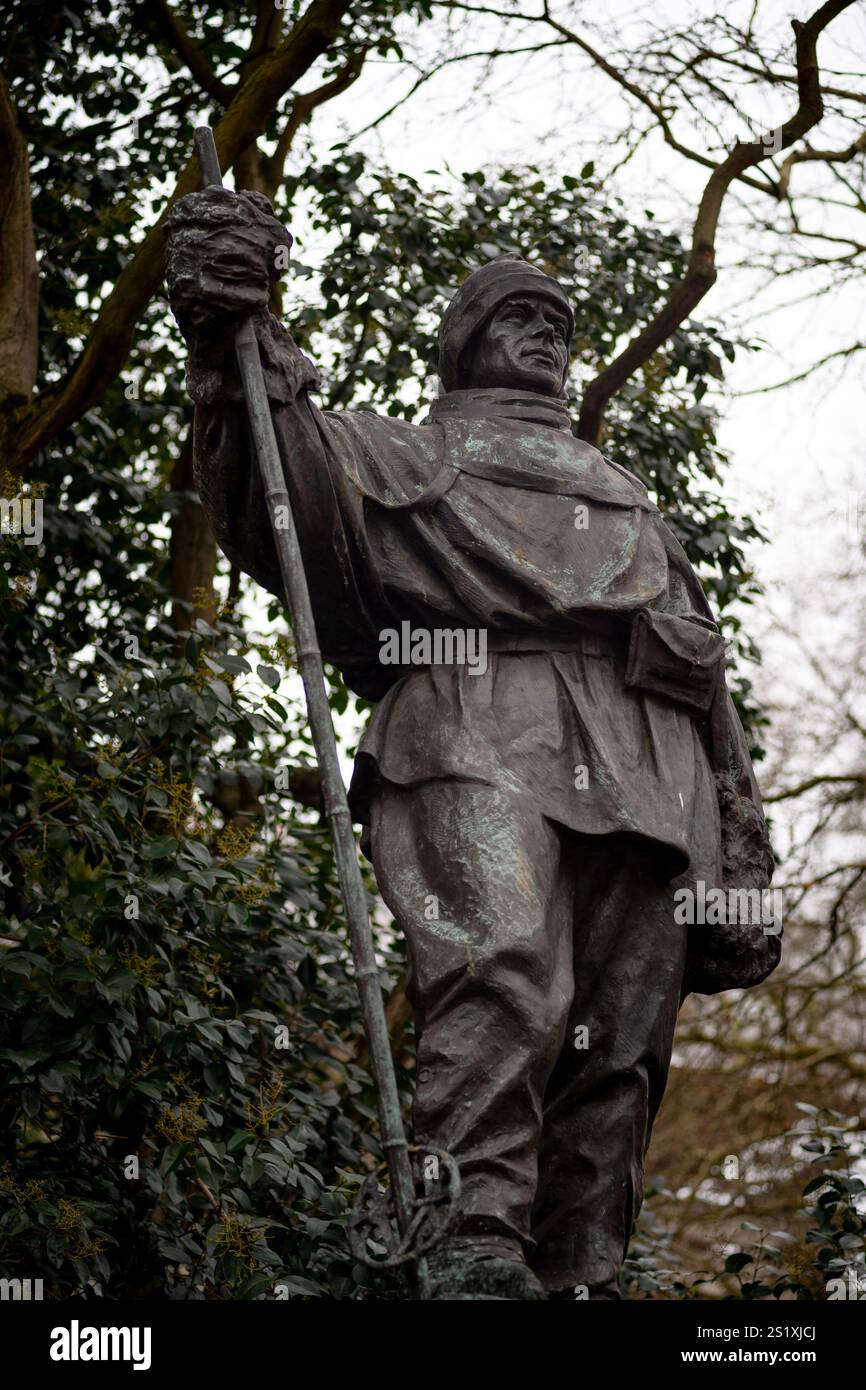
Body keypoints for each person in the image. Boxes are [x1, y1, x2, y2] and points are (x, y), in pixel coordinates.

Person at [164, 187, 778, 1300]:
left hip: (649, 764)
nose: (545, 328)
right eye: (516, 313)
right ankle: (474, 1249)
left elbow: (707, 678)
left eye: (558, 320)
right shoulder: (396, 453)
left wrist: (741, 838)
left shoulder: (632, 504)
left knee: (622, 1035)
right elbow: (274, 486)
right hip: (474, 723)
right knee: (504, 978)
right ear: (461, 342)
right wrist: (231, 336)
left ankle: (585, 1264)